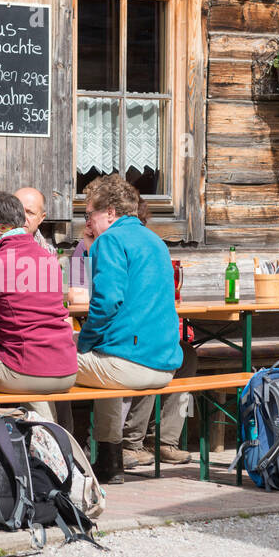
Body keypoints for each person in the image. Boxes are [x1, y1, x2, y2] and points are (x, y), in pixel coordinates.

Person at [75, 175, 182, 483]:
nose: (88, 222)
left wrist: (82, 342)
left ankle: (62, 459)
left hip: (130, 366)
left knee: (47, 365)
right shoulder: (155, 241)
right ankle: (110, 463)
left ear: (109, 212)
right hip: (164, 366)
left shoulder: (111, 240)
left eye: (89, 214)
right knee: (102, 364)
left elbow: (106, 304)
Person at [0, 191, 77, 422]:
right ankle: (58, 436)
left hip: (27, 372)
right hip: (68, 369)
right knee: (27, 357)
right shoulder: (49, 258)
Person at [120, 202, 196, 466]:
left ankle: (163, 440)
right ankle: (129, 442)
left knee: (186, 356)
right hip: (117, 338)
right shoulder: (101, 246)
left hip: (140, 335)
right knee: (151, 353)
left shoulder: (149, 247)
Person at [14, 186, 58, 255]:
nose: (22, 217)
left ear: (41, 218)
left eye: (30, 213)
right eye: (17, 211)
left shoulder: (49, 253)